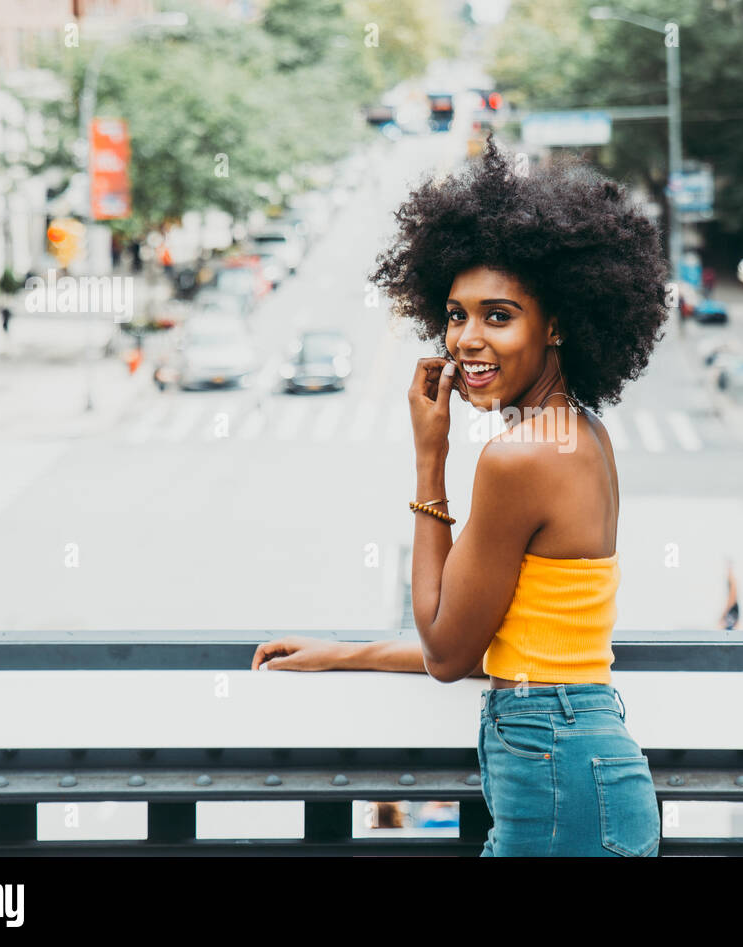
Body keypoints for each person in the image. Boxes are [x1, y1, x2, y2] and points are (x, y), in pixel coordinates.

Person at [252, 132, 666, 857]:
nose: (466, 340)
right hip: (577, 765)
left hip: (560, 780)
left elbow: (447, 650)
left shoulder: (520, 457)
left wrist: (429, 457)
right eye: (454, 314)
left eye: (498, 315)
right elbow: (494, 644)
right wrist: (342, 654)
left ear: (559, 322)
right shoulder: (582, 432)